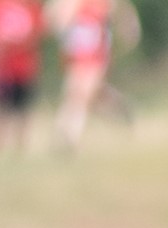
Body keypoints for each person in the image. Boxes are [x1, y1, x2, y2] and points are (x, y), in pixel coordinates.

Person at [48, 0, 139, 150]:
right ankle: (119, 106)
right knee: (77, 92)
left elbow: (123, 13)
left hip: (96, 56)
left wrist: (129, 30)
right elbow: (54, 18)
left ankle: (68, 135)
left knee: (83, 93)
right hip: (76, 56)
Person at [0, 0, 46, 151]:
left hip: (24, 66)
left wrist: (15, 45)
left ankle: (20, 146)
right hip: (1, 66)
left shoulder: (31, 5)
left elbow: (38, 34)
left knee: (23, 107)